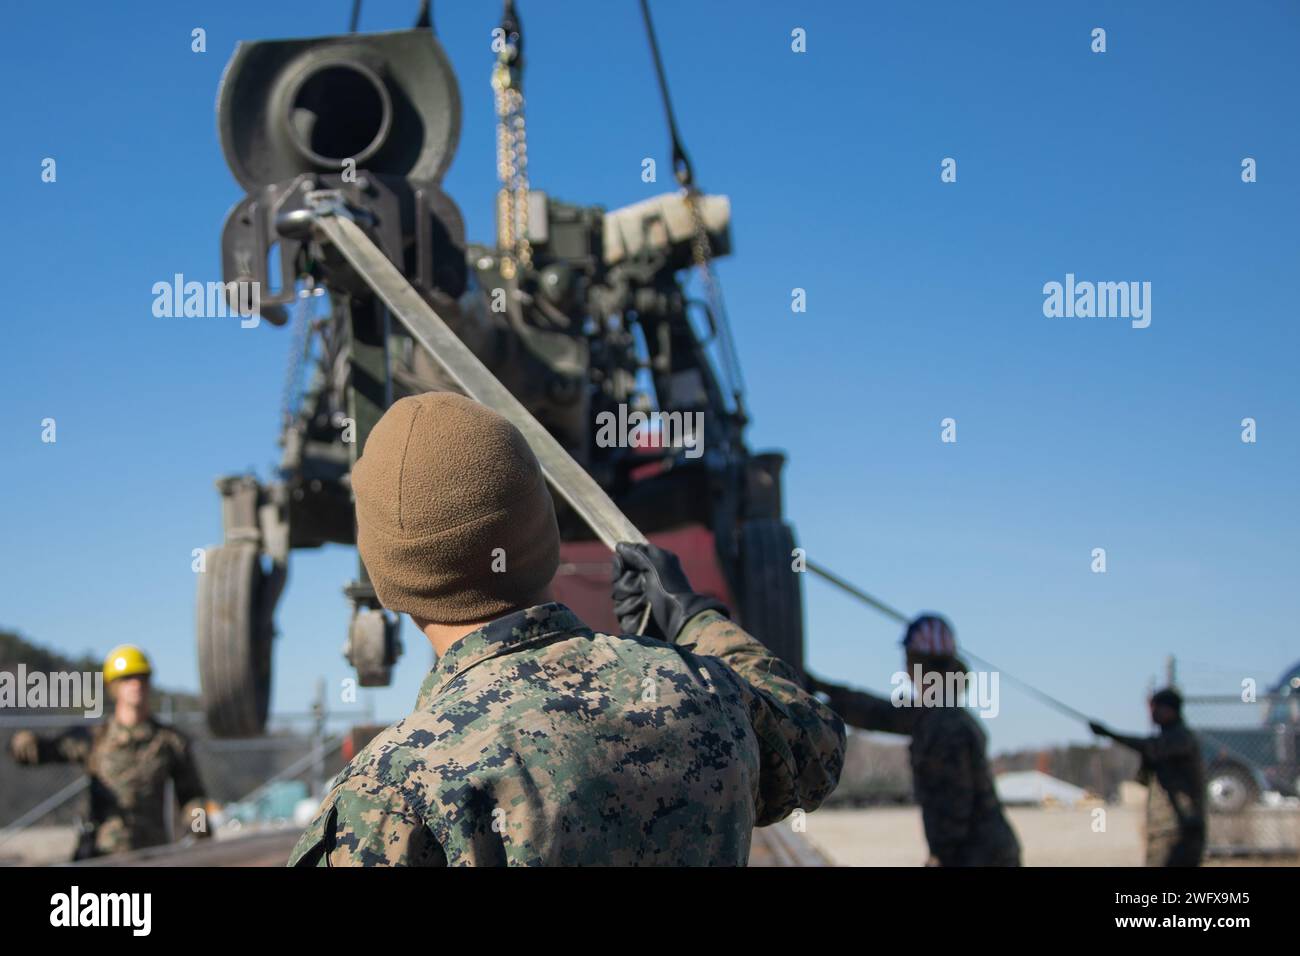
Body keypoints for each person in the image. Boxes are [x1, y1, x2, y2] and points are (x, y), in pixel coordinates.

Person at [288, 391, 844, 866]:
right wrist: (696, 620)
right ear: (543, 534)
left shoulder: (391, 791)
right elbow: (815, 746)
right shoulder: (703, 695)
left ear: (388, 579)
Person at [808, 614, 1021, 866]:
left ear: (915, 665)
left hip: (977, 857)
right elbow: (879, 713)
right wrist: (824, 690)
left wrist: (940, 856)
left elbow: (953, 805)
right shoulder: (938, 712)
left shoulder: (942, 725)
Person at [8, 644, 210, 859]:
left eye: (142, 677)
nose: (136, 684)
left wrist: (199, 829)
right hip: (103, 855)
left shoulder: (170, 742)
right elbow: (47, 750)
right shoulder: (95, 738)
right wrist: (22, 744)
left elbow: (192, 797)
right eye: (127, 678)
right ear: (113, 686)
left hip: (153, 855)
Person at [1090, 688, 1206, 867]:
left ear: (1169, 710)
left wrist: (1110, 734)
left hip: (1179, 829)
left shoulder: (1181, 738)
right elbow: (1144, 775)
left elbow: (1149, 747)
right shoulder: (1167, 738)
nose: (1152, 713)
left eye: (1156, 708)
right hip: (1165, 828)